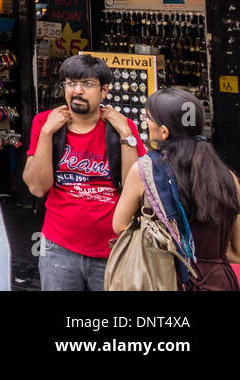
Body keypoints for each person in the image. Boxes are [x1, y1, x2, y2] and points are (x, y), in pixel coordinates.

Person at [22, 53, 145, 291]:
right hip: (58, 248)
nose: (77, 91)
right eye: (71, 83)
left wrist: (127, 136)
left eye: (87, 84)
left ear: (105, 90)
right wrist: (47, 133)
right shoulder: (45, 122)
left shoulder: (122, 126)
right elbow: (37, 187)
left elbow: (135, 187)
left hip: (113, 248)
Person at [112, 88, 240, 291]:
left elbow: (119, 226)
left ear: (164, 132)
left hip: (165, 279)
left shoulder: (145, 171)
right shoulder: (229, 178)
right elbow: (237, 251)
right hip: (219, 282)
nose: (146, 124)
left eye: (149, 119)